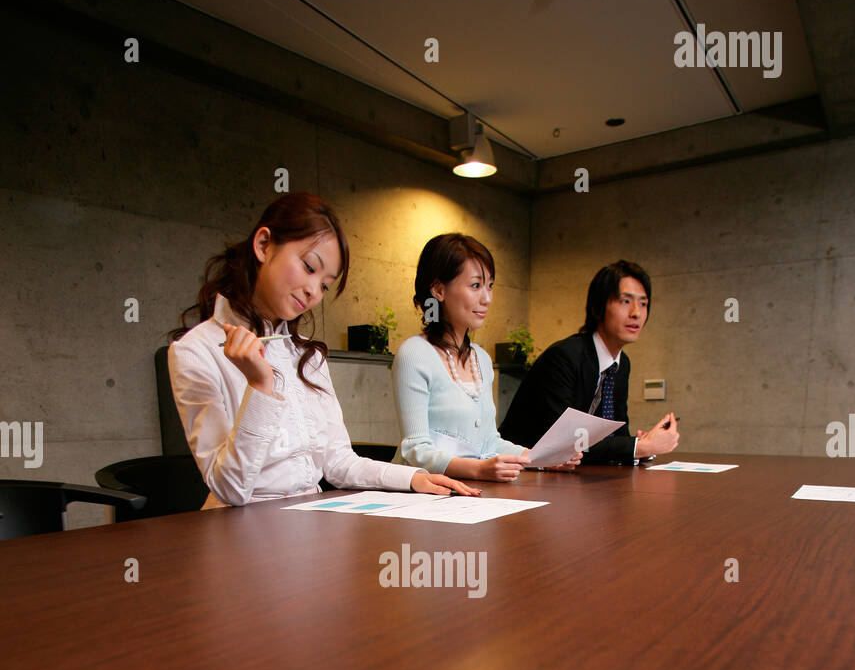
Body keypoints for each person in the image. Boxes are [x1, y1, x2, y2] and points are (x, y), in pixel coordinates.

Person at [169, 194, 479, 507]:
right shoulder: (195, 351)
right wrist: (260, 387)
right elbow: (230, 490)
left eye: (325, 285)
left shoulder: (306, 354)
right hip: (239, 530)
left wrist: (413, 478)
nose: (313, 292)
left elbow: (339, 462)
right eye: (308, 267)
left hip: (312, 519)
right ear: (263, 245)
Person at [391, 233, 582, 480]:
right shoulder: (414, 353)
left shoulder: (480, 359)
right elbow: (415, 450)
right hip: (423, 495)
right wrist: (480, 469)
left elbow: (490, 442)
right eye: (475, 286)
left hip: (472, 492)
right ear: (438, 289)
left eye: (490, 285)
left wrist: (542, 459)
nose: (487, 298)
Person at [500, 260, 679, 464]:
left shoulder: (621, 364)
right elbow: (564, 441)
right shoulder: (564, 357)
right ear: (597, 307)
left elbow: (615, 432)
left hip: (573, 474)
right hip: (520, 470)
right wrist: (640, 446)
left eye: (644, 303)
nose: (636, 313)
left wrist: (640, 445)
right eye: (625, 301)